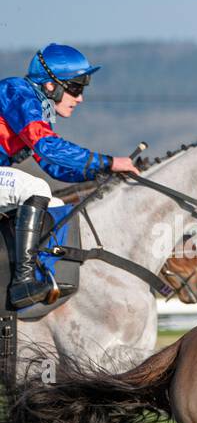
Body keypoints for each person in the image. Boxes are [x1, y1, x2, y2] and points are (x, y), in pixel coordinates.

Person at [0, 44, 141, 308]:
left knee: (53, 205)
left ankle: (40, 277)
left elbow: (54, 166)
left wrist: (101, 171)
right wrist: (108, 162)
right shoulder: (17, 92)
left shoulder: (41, 108)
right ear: (51, 85)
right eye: (76, 87)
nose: (80, 98)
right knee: (35, 189)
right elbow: (49, 147)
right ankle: (23, 282)